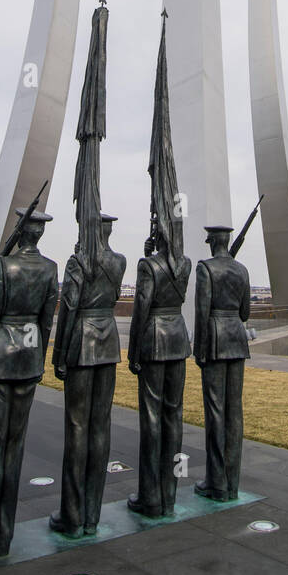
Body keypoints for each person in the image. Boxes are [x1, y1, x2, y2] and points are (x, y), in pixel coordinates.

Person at [0, 206, 58, 559]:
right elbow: (46, 323)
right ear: (40, 233)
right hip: (28, 361)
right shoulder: (50, 269)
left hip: (0, 359)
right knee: (14, 447)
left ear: (20, 231)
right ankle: (4, 534)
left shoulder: (3, 267)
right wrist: (39, 360)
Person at [50, 211, 125, 537]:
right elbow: (114, 297)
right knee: (100, 426)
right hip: (108, 345)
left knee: (77, 427)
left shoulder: (78, 262)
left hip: (82, 344)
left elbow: (68, 308)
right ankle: (92, 515)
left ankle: (72, 515)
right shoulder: (119, 262)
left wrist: (59, 355)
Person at [127, 219, 191, 517]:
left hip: (154, 342)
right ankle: (169, 495)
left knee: (151, 417)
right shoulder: (186, 264)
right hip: (178, 340)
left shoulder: (148, 266)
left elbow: (142, 308)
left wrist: (133, 352)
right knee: (173, 415)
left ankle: (149, 496)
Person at [192, 223, 250, 502]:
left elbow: (202, 312)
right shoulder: (242, 270)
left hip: (215, 342)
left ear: (212, 242)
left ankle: (216, 483)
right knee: (234, 413)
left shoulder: (205, 269)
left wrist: (199, 350)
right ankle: (232, 483)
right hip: (237, 341)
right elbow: (245, 312)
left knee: (215, 412)